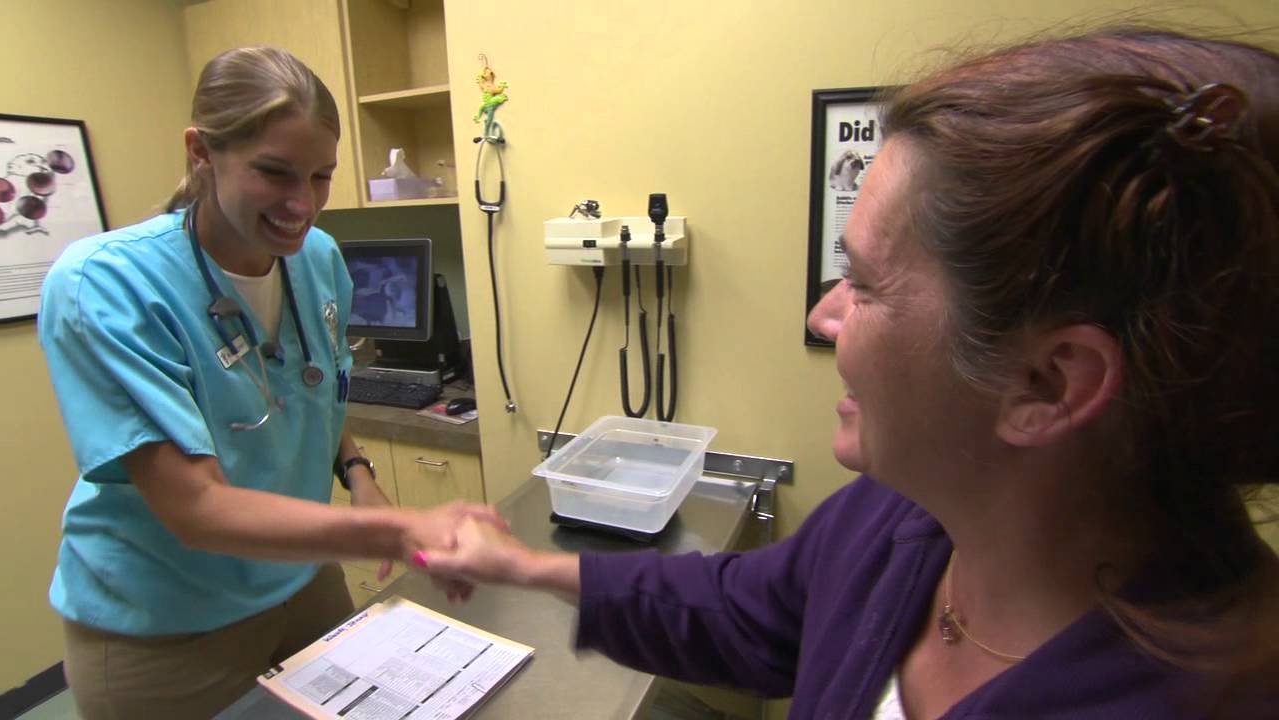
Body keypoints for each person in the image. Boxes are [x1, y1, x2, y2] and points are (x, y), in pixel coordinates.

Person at [419, 28, 1279, 718]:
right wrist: (522, 567)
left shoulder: (1217, 693)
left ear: (1049, 384)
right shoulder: (897, 524)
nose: (822, 316)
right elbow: (739, 610)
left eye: (863, 283)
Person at [38, 47, 499, 719]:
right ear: (201, 151)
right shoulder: (106, 286)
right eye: (274, 173)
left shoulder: (317, 257)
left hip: (303, 583)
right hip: (169, 622)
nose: (302, 204)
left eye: (320, 177)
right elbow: (195, 506)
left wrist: (361, 477)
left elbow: (314, 382)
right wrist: (398, 530)